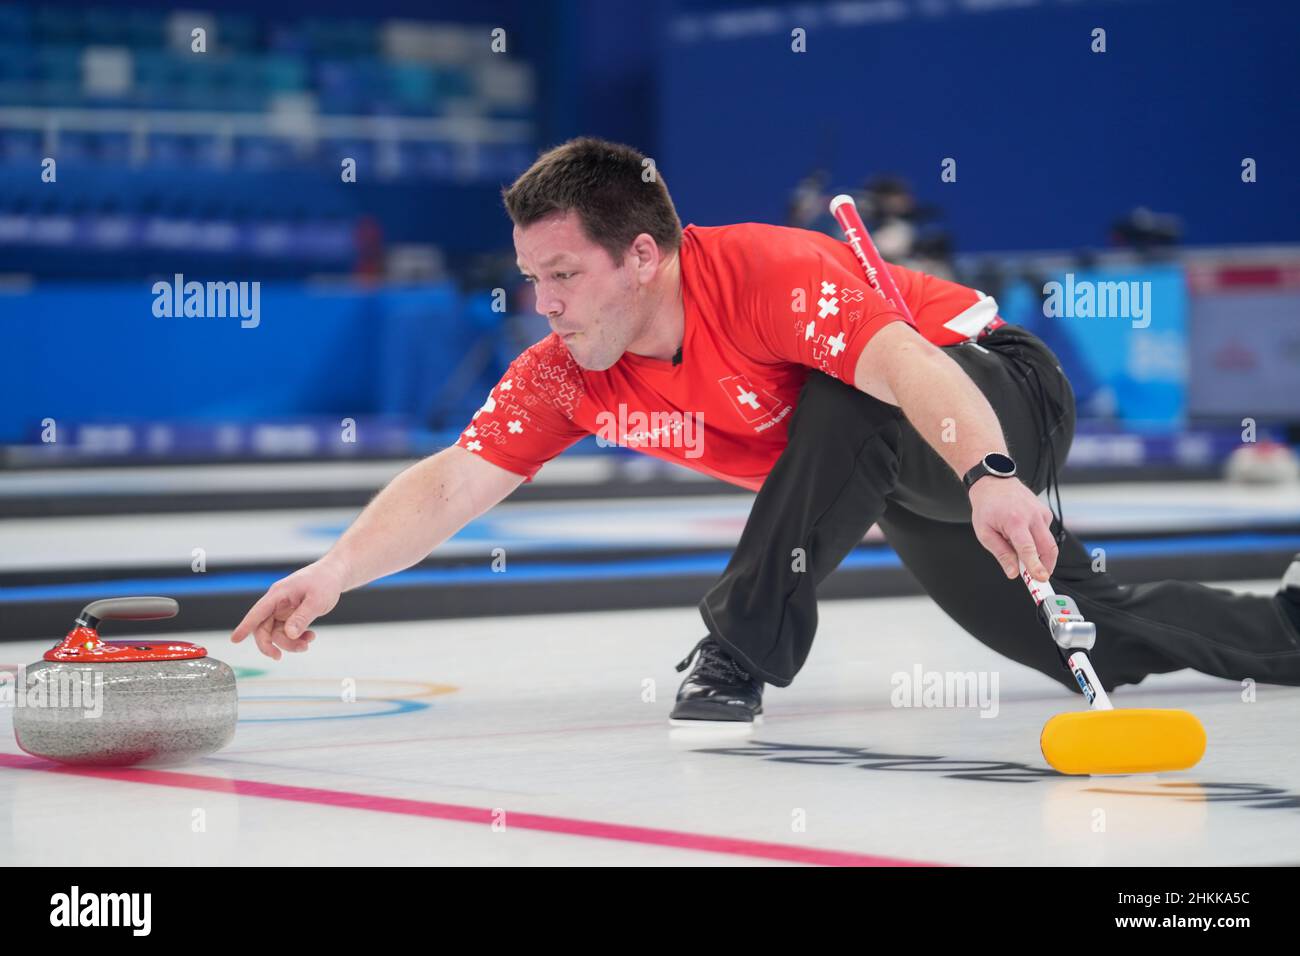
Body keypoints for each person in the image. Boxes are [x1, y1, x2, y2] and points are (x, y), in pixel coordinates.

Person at [231, 137, 1300, 724]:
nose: (542, 302)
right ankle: (1287, 627)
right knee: (1089, 640)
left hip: (990, 395)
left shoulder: (768, 274)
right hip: (882, 467)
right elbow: (459, 475)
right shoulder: (566, 371)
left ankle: (738, 650)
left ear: (643, 256)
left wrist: (988, 471)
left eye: (563, 275)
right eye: (531, 277)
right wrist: (333, 571)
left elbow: (905, 364)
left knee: (841, 392)